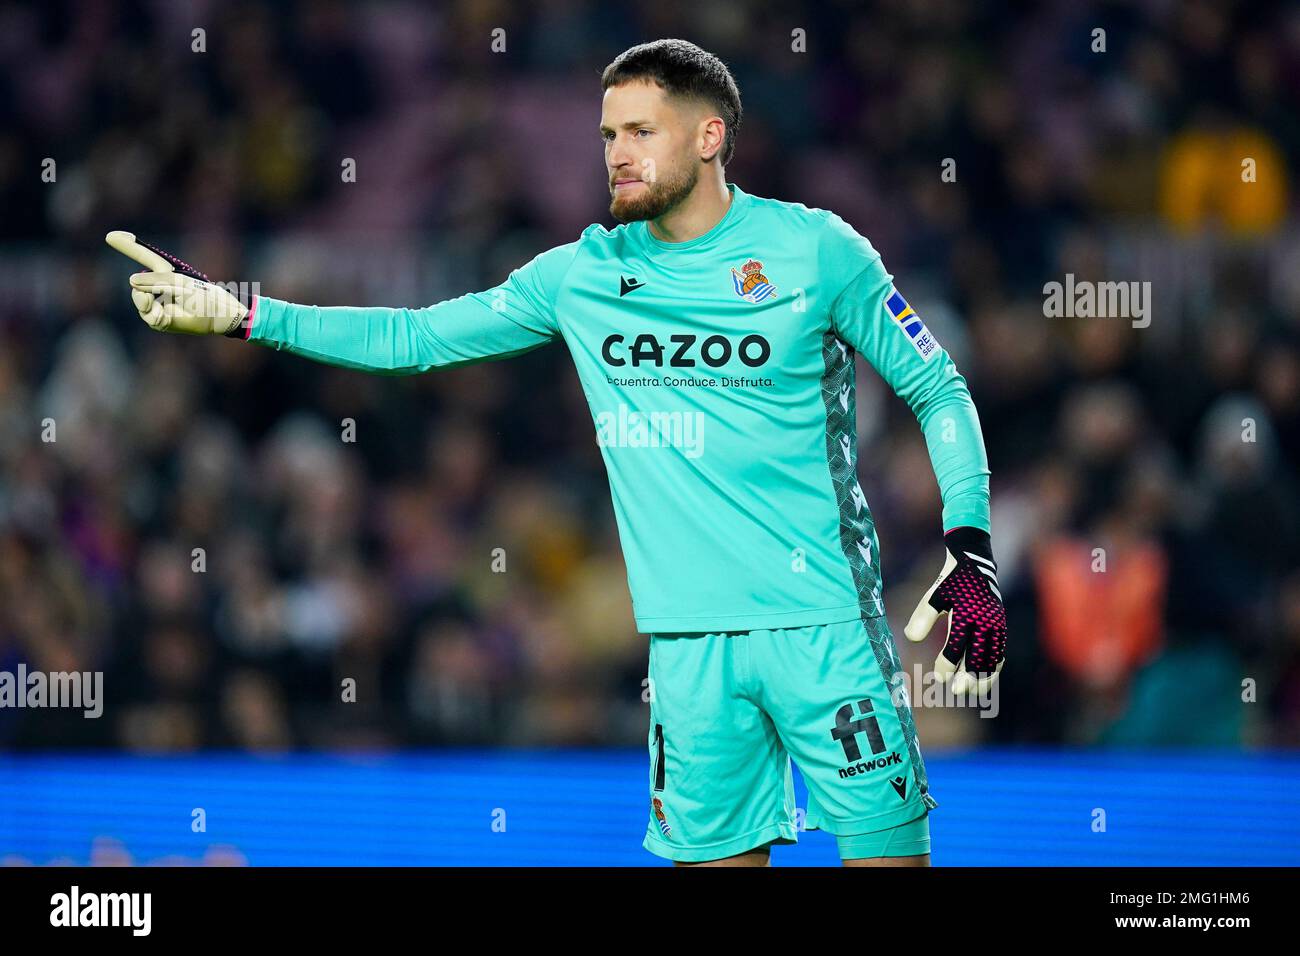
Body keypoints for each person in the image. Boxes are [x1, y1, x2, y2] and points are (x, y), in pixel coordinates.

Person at [111, 39, 1007, 867]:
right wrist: (246, 314)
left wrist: (968, 544)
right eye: (607, 133)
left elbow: (938, 388)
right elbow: (414, 336)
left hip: (827, 633)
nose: (616, 151)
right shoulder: (580, 277)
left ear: (709, 135)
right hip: (688, 656)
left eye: (640, 131)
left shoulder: (816, 251)